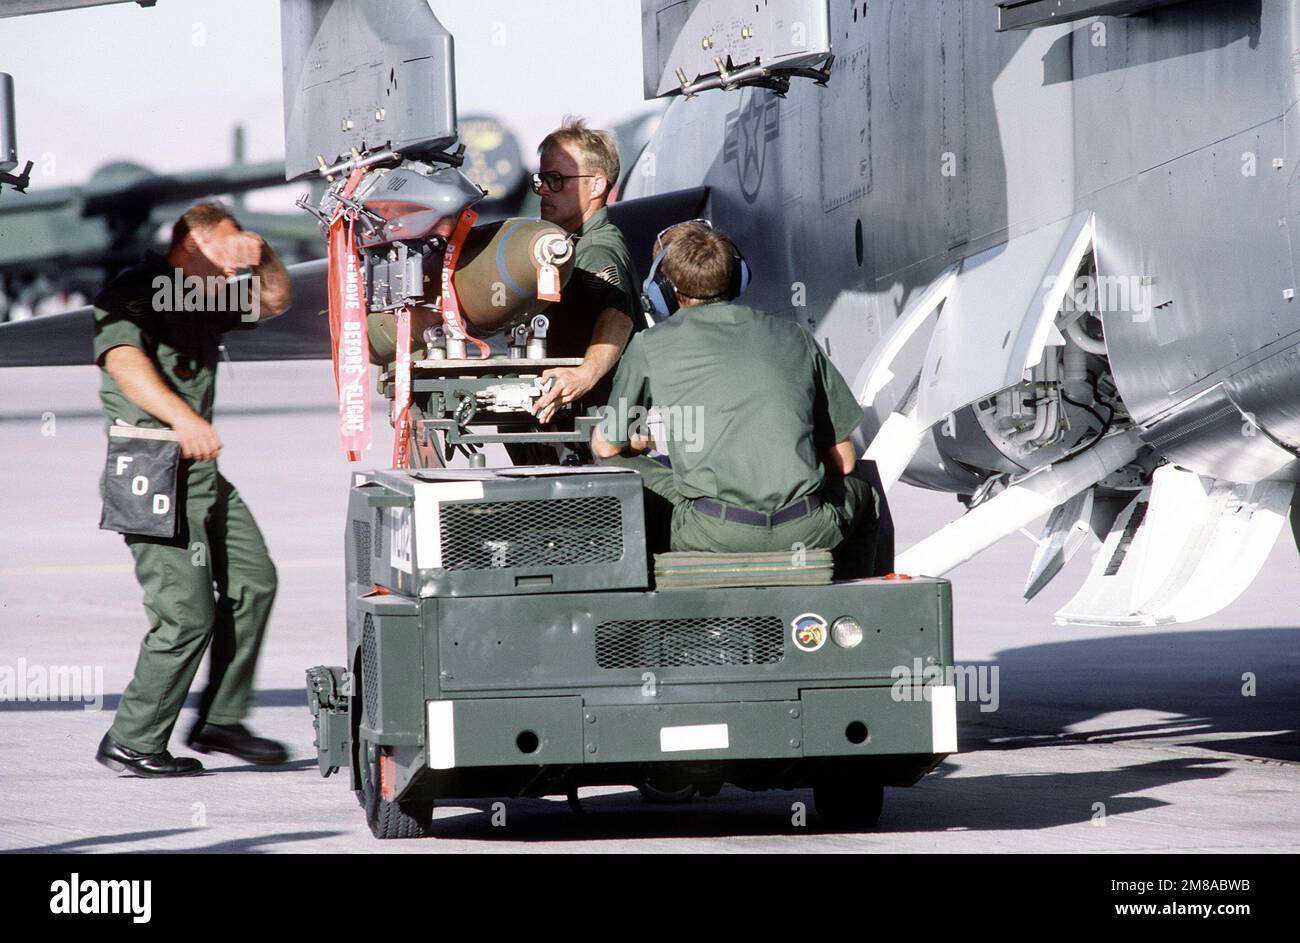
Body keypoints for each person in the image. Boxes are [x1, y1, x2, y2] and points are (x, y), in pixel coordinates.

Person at [93, 202, 293, 777]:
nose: (233, 271)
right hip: (150, 466)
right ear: (190, 246)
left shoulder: (202, 293)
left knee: (254, 579)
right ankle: (133, 740)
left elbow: (276, 300)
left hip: (200, 472)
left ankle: (222, 721)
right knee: (186, 615)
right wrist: (181, 419)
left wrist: (262, 253)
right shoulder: (138, 288)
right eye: (224, 255)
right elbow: (124, 359)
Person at [591, 222, 880, 578]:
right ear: (738, 277)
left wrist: (635, 443)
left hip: (710, 532)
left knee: (618, 471)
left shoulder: (650, 346)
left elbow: (606, 447)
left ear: (665, 288)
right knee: (866, 494)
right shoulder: (795, 337)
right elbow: (845, 461)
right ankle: (851, 599)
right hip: (806, 531)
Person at [509, 118, 640, 464]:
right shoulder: (571, 243)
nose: (544, 190)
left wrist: (586, 374)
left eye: (558, 180)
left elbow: (619, 315)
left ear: (596, 185)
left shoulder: (596, 249)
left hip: (589, 432)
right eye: (542, 179)